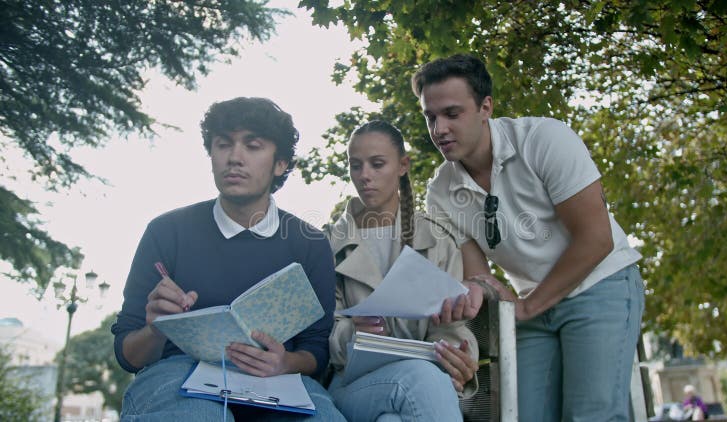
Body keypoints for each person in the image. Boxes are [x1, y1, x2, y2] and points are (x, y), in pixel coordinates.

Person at [412, 53, 645, 421]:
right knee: (520, 415)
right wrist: (471, 300)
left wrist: (526, 307)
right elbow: (478, 278)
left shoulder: (544, 139)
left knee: (589, 414)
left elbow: (597, 238)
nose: (439, 129)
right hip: (530, 306)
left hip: (600, 284)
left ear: (485, 107)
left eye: (452, 114)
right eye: (430, 117)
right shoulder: (440, 191)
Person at [111, 97, 345, 421]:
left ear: (280, 164)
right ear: (211, 155)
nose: (234, 158)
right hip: (178, 374)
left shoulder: (310, 244)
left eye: (252, 146)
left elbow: (316, 350)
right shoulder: (166, 231)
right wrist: (156, 330)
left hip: (274, 379)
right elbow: (128, 356)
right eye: (223, 145)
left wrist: (285, 362)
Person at [324, 120, 479, 421]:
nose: (364, 176)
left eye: (377, 164)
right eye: (356, 166)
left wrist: (456, 359)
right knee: (420, 378)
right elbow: (322, 333)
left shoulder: (437, 241)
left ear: (403, 165)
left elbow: (449, 325)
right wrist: (352, 332)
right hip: (349, 386)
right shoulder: (328, 244)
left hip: (419, 386)